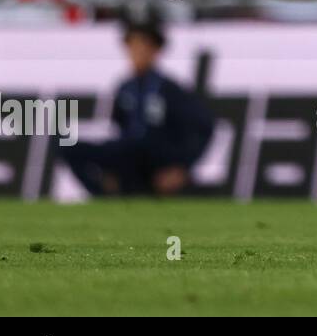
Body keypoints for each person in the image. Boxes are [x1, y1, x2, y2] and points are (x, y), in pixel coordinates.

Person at [57, 11, 215, 197]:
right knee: (67, 146)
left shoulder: (170, 90)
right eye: (133, 44)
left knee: (140, 146)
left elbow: (204, 127)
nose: (138, 51)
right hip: (129, 152)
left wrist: (182, 167)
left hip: (157, 155)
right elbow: (120, 126)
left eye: (144, 45)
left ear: (156, 50)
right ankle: (104, 193)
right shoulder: (124, 88)